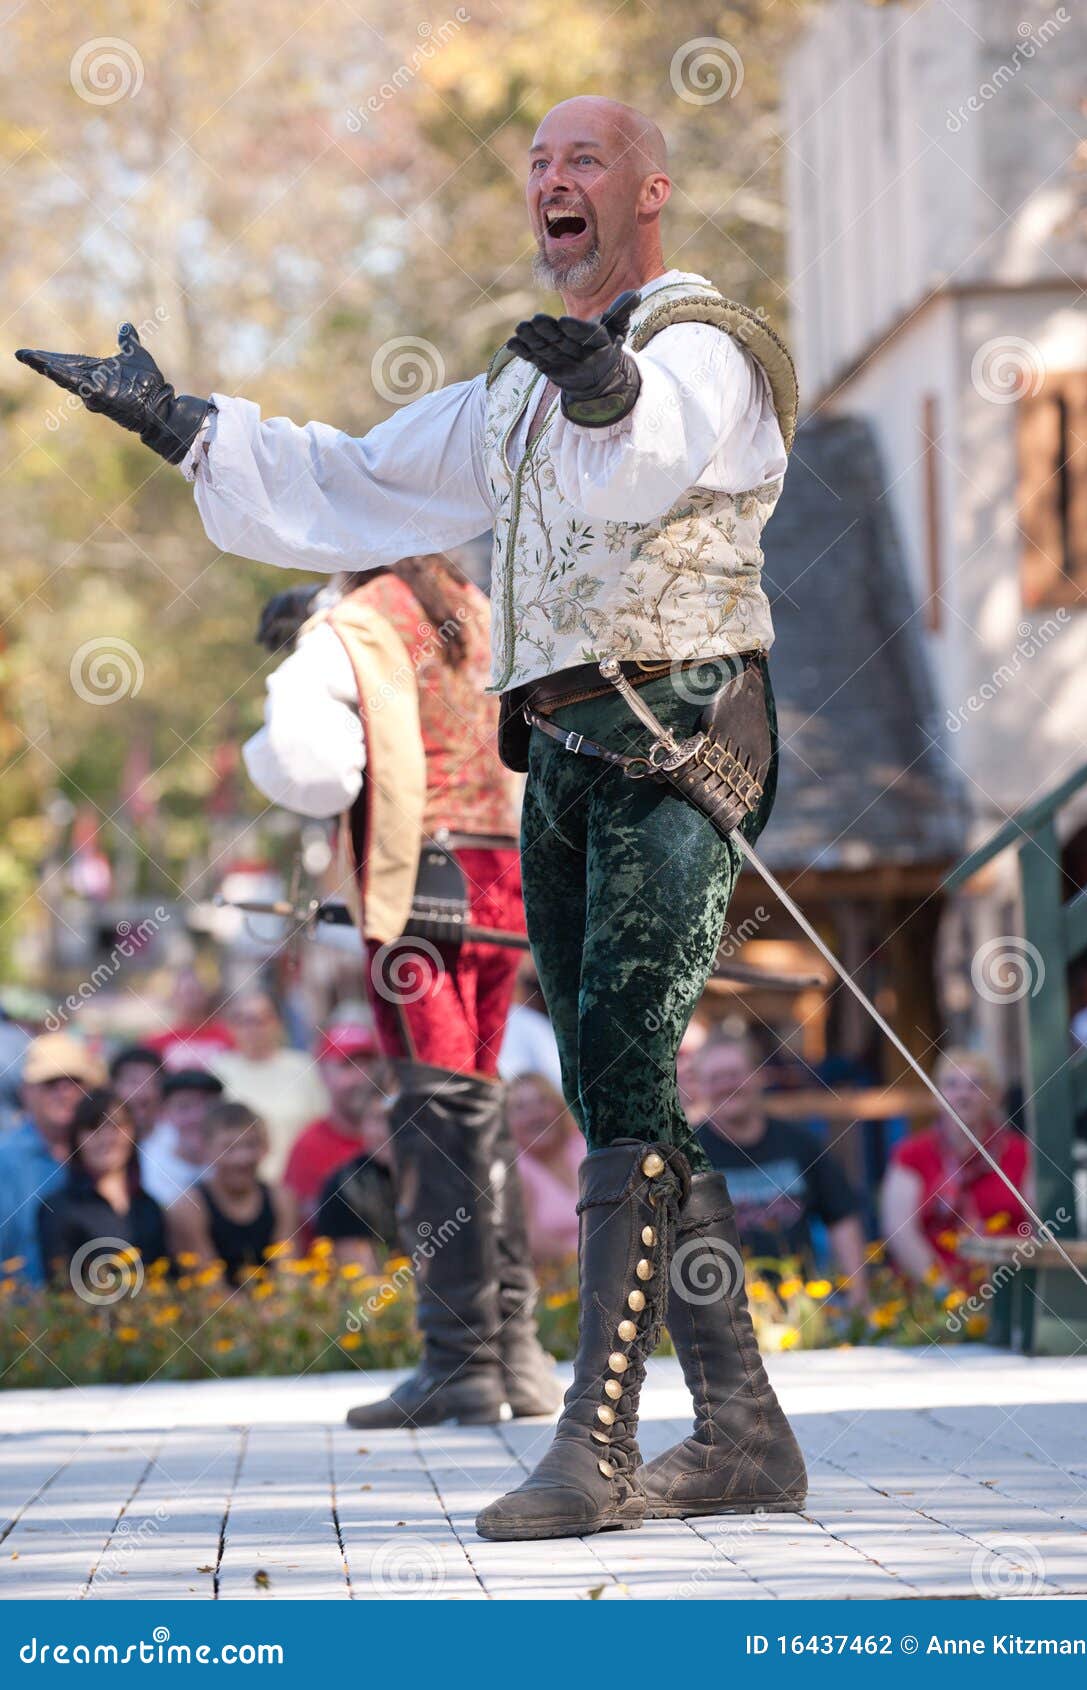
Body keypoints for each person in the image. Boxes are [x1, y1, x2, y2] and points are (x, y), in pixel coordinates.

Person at [17, 93, 805, 1539]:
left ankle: (595, 1444)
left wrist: (609, 390)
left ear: (651, 193)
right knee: (610, 1091)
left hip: (679, 736)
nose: (551, 181)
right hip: (558, 753)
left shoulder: (705, 341)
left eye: (584, 162)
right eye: (538, 164)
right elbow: (360, 480)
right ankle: (745, 1432)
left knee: (620, 1077)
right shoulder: (509, 391)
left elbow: (656, 441)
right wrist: (187, 424)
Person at [243, 561, 562, 1429]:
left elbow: (309, 770)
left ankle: (461, 1360)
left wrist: (309, 646)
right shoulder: (490, 608)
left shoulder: (358, 618)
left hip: (419, 883)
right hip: (503, 878)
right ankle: (516, 1360)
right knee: (474, 1097)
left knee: (436, 1107)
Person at [694, 1035, 870, 1305]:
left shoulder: (800, 1143)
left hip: (803, 1311)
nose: (726, 1085)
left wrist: (859, 1297)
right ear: (701, 1087)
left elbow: (842, 1216)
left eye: (734, 1074)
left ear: (759, 1077)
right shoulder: (685, 1154)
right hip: (717, 1316)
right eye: (715, 1078)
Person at [880, 1048, 1030, 1291]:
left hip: (1009, 1289)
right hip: (930, 1297)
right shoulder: (911, 1154)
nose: (963, 1094)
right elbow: (899, 1231)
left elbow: (1038, 1224)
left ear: (994, 1095)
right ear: (936, 1095)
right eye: (952, 1085)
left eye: (975, 1085)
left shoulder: (1020, 1153)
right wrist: (942, 1291)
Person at [0, 1033, 106, 1286]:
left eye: (74, 1082)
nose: (64, 1092)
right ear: (26, 1092)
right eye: (51, 1083)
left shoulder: (110, 1153)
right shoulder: (6, 1160)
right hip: (22, 1318)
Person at [38, 1089, 166, 1287]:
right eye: (93, 1128)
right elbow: (62, 1288)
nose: (107, 1139)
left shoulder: (149, 1206)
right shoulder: (57, 1208)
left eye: (117, 1127)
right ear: (77, 1139)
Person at [166, 1101, 298, 1285]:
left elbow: (288, 1276)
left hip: (276, 1308)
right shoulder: (188, 1208)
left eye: (251, 1145)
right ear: (207, 1149)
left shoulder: (282, 1199)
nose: (242, 1158)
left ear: (265, 1147)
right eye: (229, 1148)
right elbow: (211, 1289)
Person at [207, 991, 328, 1182]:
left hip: (297, 1181)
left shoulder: (304, 1067)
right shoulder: (218, 1069)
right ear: (232, 1026)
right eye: (242, 1020)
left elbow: (323, 1126)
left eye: (259, 1020)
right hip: (238, 1186)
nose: (251, 1028)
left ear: (277, 1024)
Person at [283, 1025, 393, 1226]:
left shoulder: (395, 1141)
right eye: (348, 1066)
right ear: (323, 1073)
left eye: (368, 1064)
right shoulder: (308, 1147)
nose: (361, 1077)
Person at [312, 1087, 399, 1271]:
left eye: (397, 1118)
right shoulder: (345, 1186)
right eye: (377, 1119)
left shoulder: (444, 1179)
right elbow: (361, 1283)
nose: (386, 1131)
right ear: (361, 1125)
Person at [507, 1073, 584, 1266]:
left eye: (543, 1102)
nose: (535, 1115)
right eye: (520, 1108)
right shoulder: (514, 1169)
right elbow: (529, 1238)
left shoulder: (583, 1145)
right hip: (563, 1279)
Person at [139, 1067, 224, 1208]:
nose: (198, 1117)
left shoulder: (236, 1160)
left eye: (209, 1107)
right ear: (164, 1113)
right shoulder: (143, 1166)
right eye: (184, 1107)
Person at [146, 968, 236, 1072]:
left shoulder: (228, 1035)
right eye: (186, 993)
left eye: (196, 992)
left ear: (205, 996)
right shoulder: (156, 1041)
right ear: (174, 997)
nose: (191, 999)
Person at [108, 1045, 164, 1140]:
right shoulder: (95, 1142)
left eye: (150, 1083)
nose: (141, 1093)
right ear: (112, 1087)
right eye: (133, 1081)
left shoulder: (176, 1143)